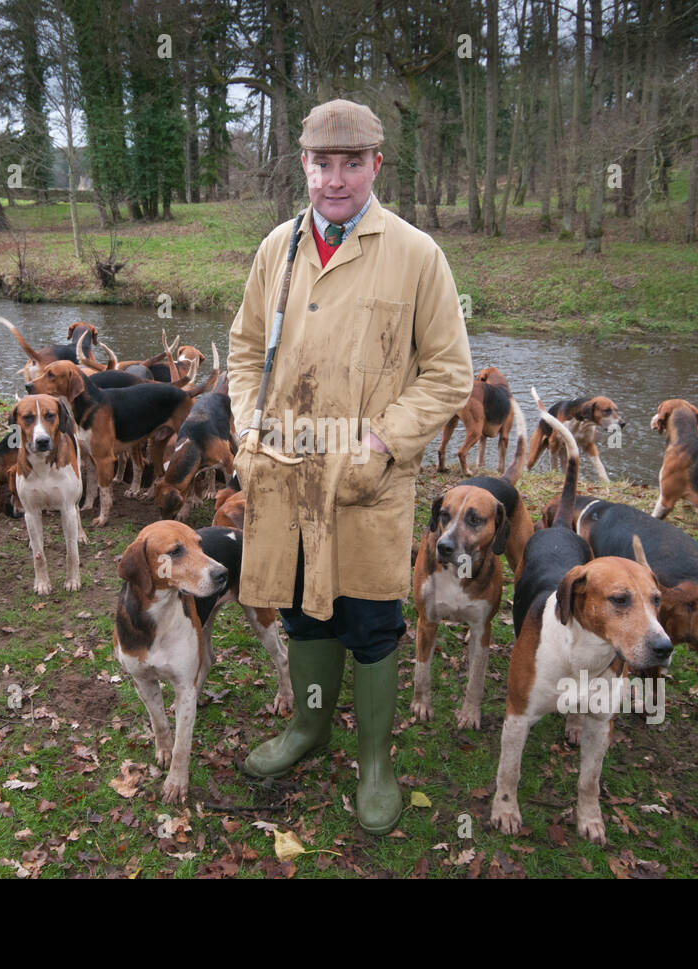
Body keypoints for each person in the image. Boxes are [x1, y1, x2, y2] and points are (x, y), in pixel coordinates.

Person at [226, 99, 473, 834]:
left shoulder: (416, 253)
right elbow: (243, 350)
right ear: (302, 163)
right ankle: (308, 730)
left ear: (376, 165)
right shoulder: (277, 247)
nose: (335, 180)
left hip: (367, 484)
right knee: (303, 612)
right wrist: (246, 422)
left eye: (351, 163)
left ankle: (375, 763)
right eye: (321, 163)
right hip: (283, 473)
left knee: (368, 621)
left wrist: (385, 439)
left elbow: (450, 373)